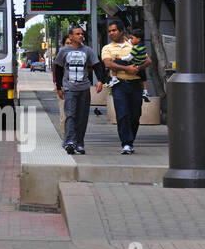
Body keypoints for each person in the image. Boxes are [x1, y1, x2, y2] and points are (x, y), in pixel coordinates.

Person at [52, 25, 105, 155]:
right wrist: (59, 87)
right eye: (77, 34)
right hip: (70, 89)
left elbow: (97, 65)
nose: (81, 36)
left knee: (82, 117)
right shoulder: (64, 51)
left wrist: (100, 80)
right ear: (70, 36)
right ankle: (70, 142)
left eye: (82, 34)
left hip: (84, 89)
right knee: (70, 115)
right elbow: (58, 69)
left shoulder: (88, 50)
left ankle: (79, 143)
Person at [101, 20, 147, 154]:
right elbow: (108, 64)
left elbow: (147, 60)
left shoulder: (132, 44)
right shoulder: (107, 48)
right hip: (119, 85)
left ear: (121, 31)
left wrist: (137, 68)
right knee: (122, 114)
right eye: (109, 31)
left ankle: (130, 141)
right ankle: (126, 143)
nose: (111, 33)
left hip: (136, 84)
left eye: (114, 30)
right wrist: (127, 68)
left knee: (135, 115)